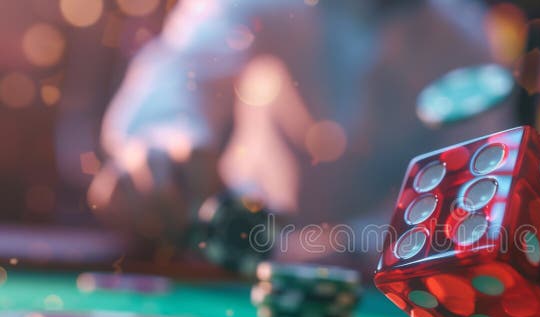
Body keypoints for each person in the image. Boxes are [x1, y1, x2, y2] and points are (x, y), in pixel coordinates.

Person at [91, 0, 515, 267]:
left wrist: (350, 246)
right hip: (234, 259)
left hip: (381, 288)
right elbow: (181, 67)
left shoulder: (469, 38)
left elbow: (470, 186)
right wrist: (165, 145)